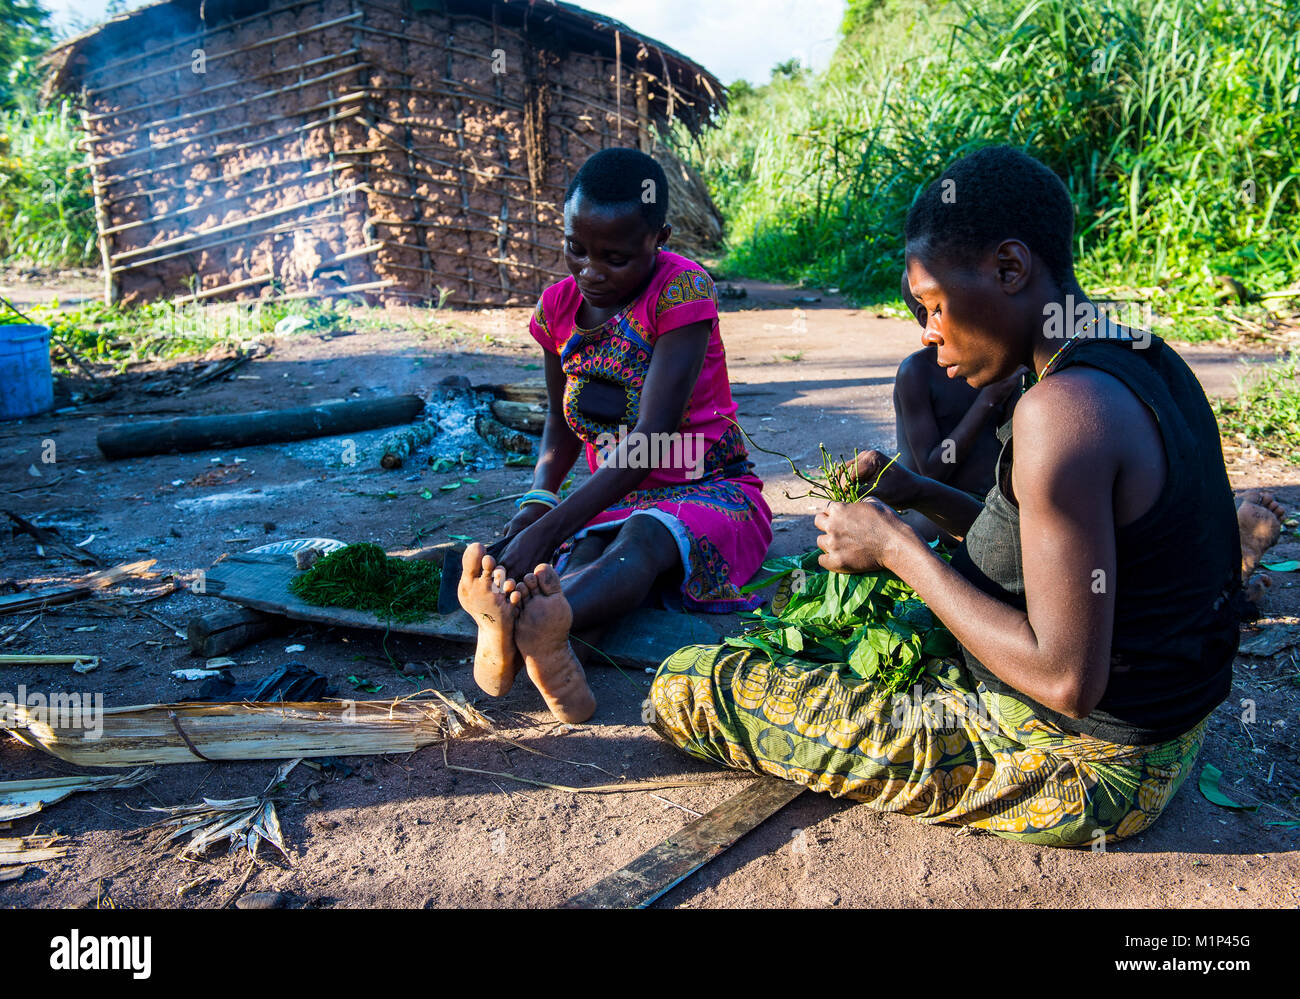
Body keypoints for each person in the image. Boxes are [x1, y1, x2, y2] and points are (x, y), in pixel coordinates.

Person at [644, 145, 1274, 847]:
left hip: (1094, 768)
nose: (927, 331)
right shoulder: (1139, 355)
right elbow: (1046, 557)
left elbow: (1067, 678)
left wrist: (897, 549)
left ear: (1010, 268)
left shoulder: (1059, 414)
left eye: (934, 303)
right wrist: (918, 492)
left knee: (691, 685)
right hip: (1173, 726)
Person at [456, 147, 773, 724]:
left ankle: (533, 624)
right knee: (581, 557)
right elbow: (560, 422)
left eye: (615, 257)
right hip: (614, 495)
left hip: (713, 489)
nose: (590, 271)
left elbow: (652, 440)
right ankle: (545, 641)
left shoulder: (682, 293)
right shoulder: (557, 308)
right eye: (577, 249)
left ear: (659, 238)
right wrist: (538, 501)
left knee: (643, 540)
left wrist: (551, 525)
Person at [893, 272, 1024, 543]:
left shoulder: (995, 361)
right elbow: (933, 470)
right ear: (926, 314)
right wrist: (988, 400)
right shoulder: (917, 373)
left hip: (992, 503)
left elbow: (1015, 448)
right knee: (917, 528)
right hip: (935, 506)